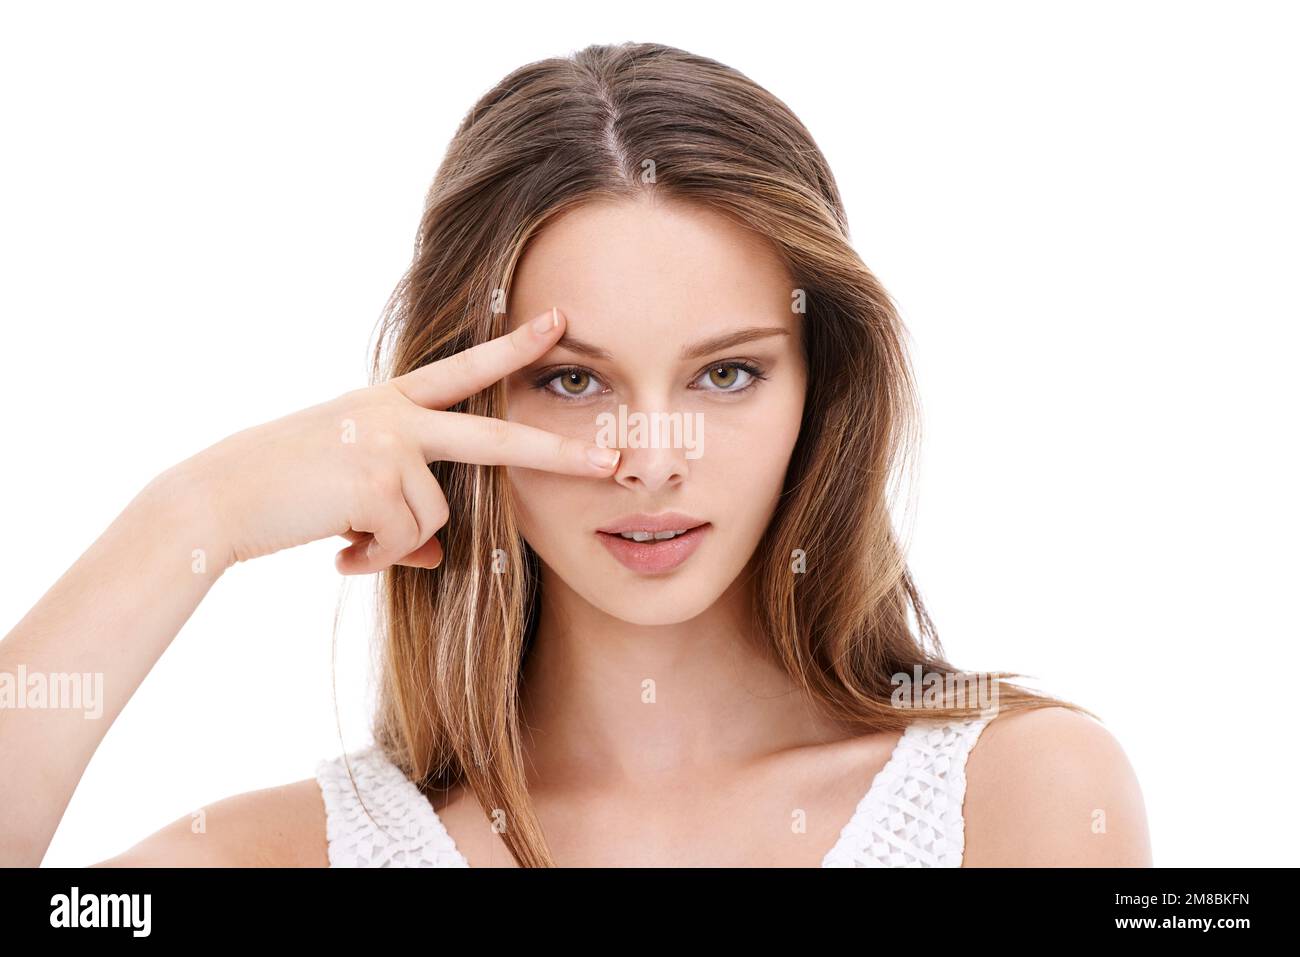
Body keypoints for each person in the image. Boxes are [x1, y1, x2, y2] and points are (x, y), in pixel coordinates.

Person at [0, 41, 1151, 868]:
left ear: (822, 389)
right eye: (571, 380)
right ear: (456, 398)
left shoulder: (1014, 794)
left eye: (726, 374)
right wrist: (193, 514)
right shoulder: (280, 854)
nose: (650, 461)